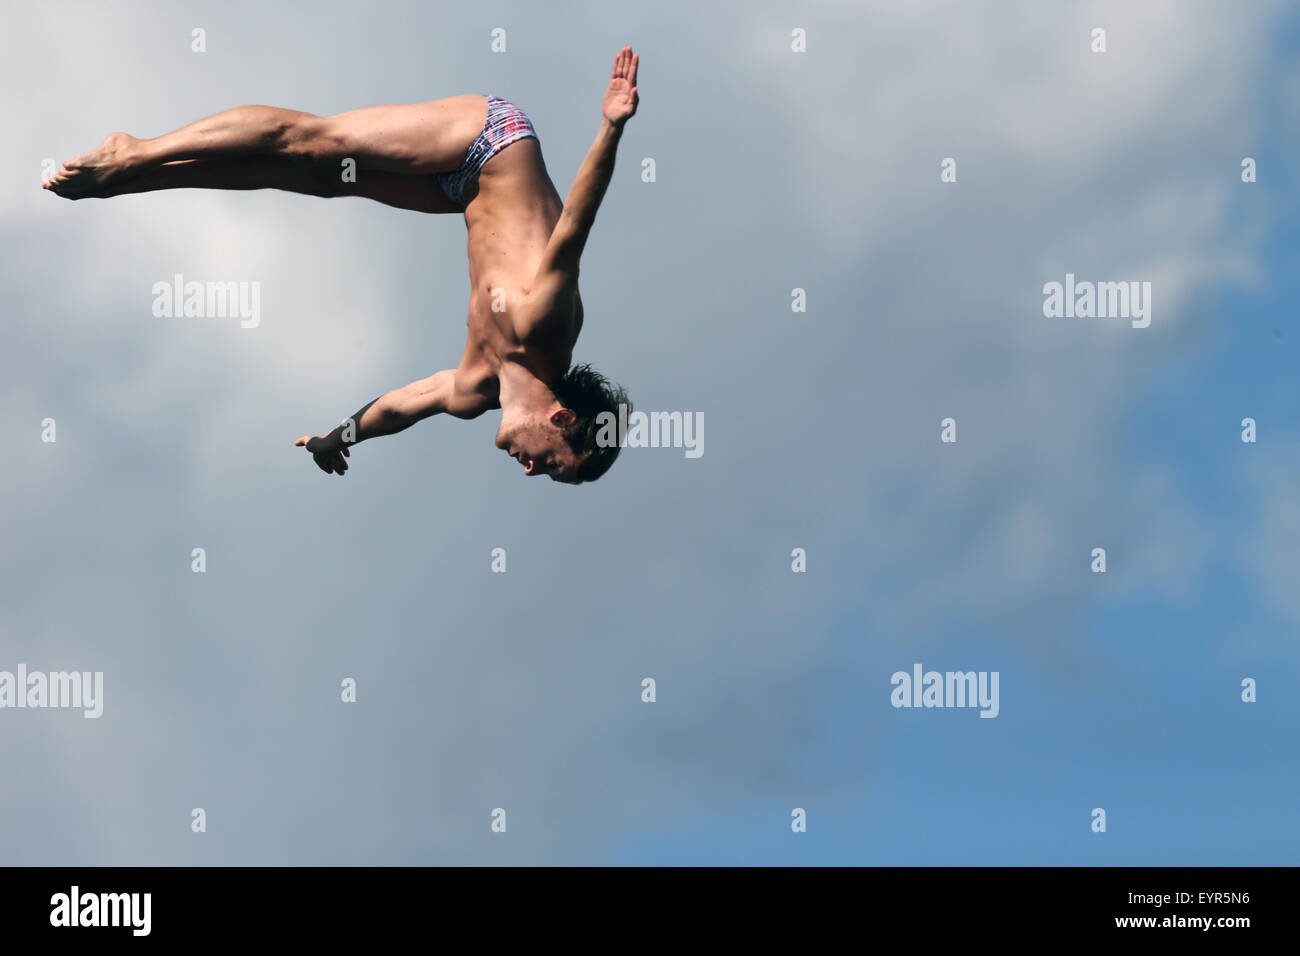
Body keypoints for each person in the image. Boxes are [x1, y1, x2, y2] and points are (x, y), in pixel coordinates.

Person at [45, 47, 641, 484]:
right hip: (490, 141)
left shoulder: (474, 390)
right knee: (313, 143)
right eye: (552, 464)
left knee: (312, 180)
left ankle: (129, 183)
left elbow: (399, 407)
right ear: (561, 417)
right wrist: (610, 129)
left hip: (461, 190)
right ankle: (138, 152)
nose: (532, 470)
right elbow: (574, 228)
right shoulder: (547, 329)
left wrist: (339, 437)